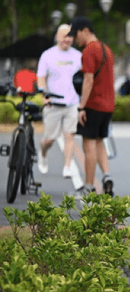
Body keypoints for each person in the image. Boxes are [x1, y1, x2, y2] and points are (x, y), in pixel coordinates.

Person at [69, 16, 116, 196]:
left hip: (93, 104)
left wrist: (81, 107)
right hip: (108, 105)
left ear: (86, 31)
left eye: (77, 34)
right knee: (99, 142)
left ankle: (89, 186)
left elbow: (88, 80)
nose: (75, 39)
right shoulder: (107, 49)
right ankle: (107, 175)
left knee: (88, 145)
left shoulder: (89, 51)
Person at [36, 23, 81, 177]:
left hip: (72, 103)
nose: (66, 40)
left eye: (69, 36)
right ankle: (42, 154)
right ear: (57, 37)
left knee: (70, 135)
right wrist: (44, 96)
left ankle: (67, 167)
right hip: (53, 103)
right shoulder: (48, 55)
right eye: (64, 36)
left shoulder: (77, 56)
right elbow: (41, 77)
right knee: (49, 140)